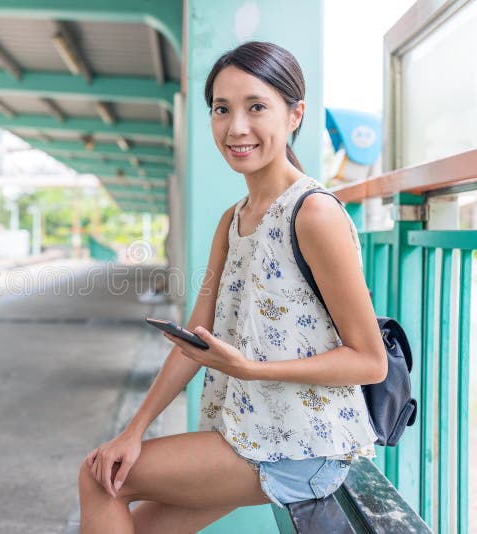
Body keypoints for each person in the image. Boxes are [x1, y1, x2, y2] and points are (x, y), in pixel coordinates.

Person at [77, 41, 386, 533]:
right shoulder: (233, 221)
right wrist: (132, 432)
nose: (236, 127)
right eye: (222, 109)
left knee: (98, 480)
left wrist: (250, 368)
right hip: (248, 432)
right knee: (122, 494)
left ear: (294, 115)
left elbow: (370, 361)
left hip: (301, 446)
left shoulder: (314, 213)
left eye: (256, 107)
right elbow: (194, 336)